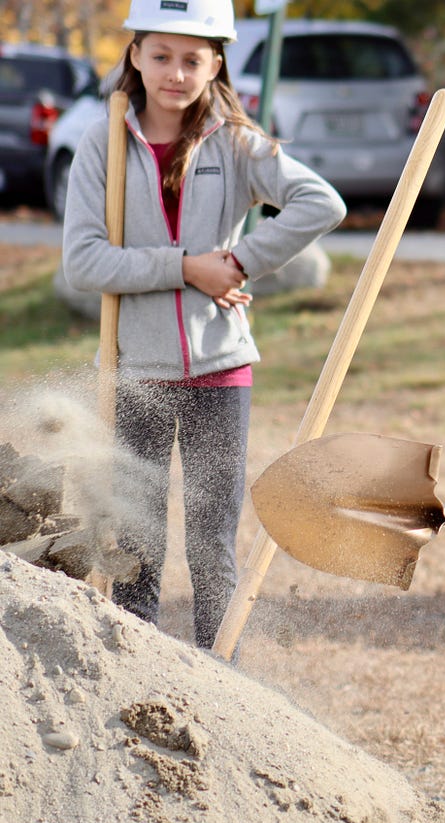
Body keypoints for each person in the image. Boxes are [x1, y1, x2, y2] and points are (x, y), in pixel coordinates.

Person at [62, 0, 345, 651]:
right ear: (134, 55)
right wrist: (189, 267)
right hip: (138, 374)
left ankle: (223, 682)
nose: (176, 73)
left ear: (216, 62)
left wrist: (243, 259)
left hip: (222, 372)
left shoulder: (236, 142)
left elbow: (321, 202)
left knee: (212, 540)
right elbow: (83, 261)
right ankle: (138, 675)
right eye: (161, 55)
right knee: (137, 540)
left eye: (193, 59)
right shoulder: (102, 145)